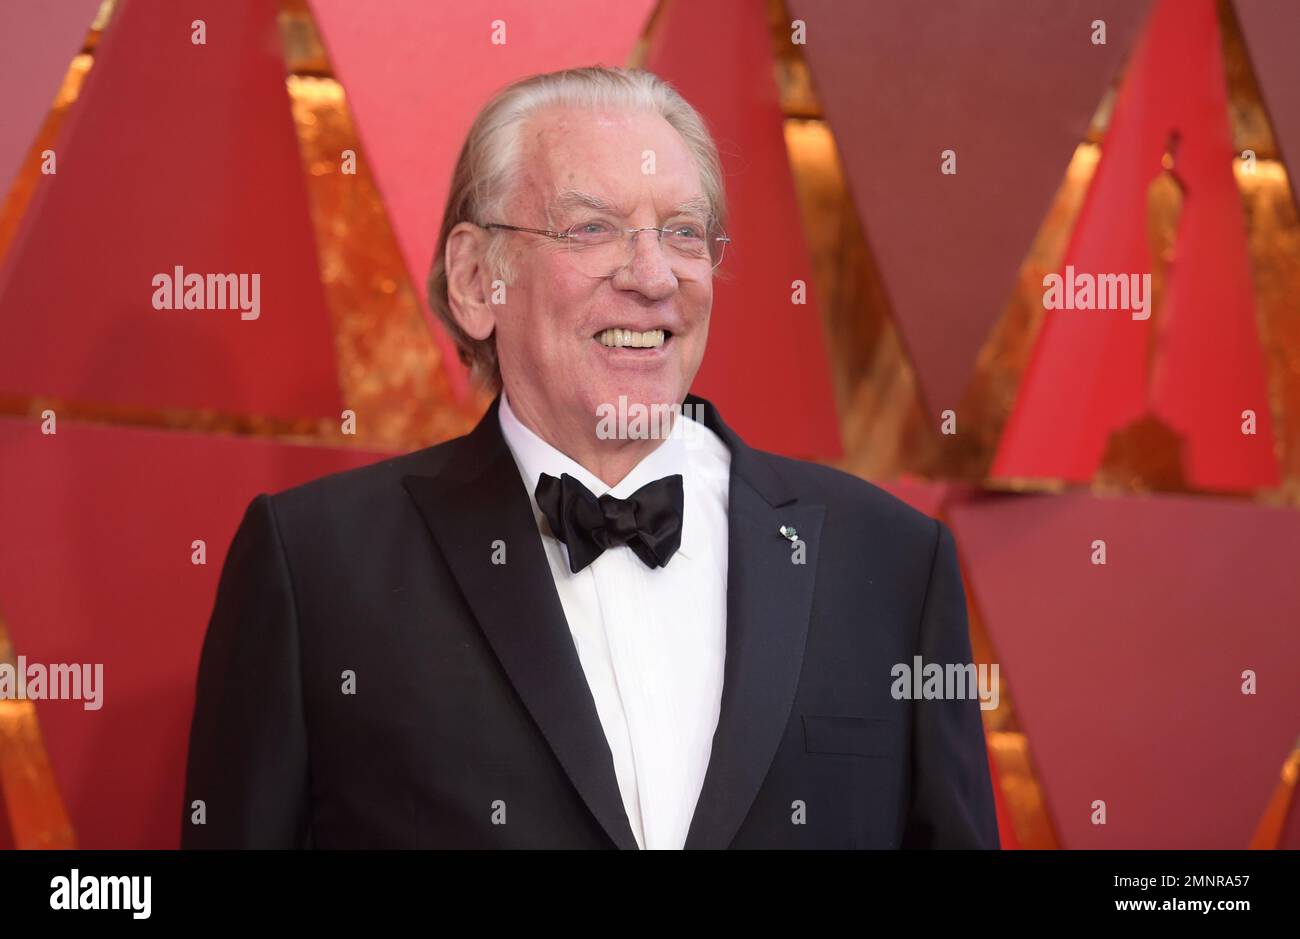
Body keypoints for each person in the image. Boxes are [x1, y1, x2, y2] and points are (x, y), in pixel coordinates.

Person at [181, 66, 998, 849]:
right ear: (476, 279)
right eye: (592, 227)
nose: (653, 276)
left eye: (682, 231)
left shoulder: (890, 563)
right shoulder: (317, 566)